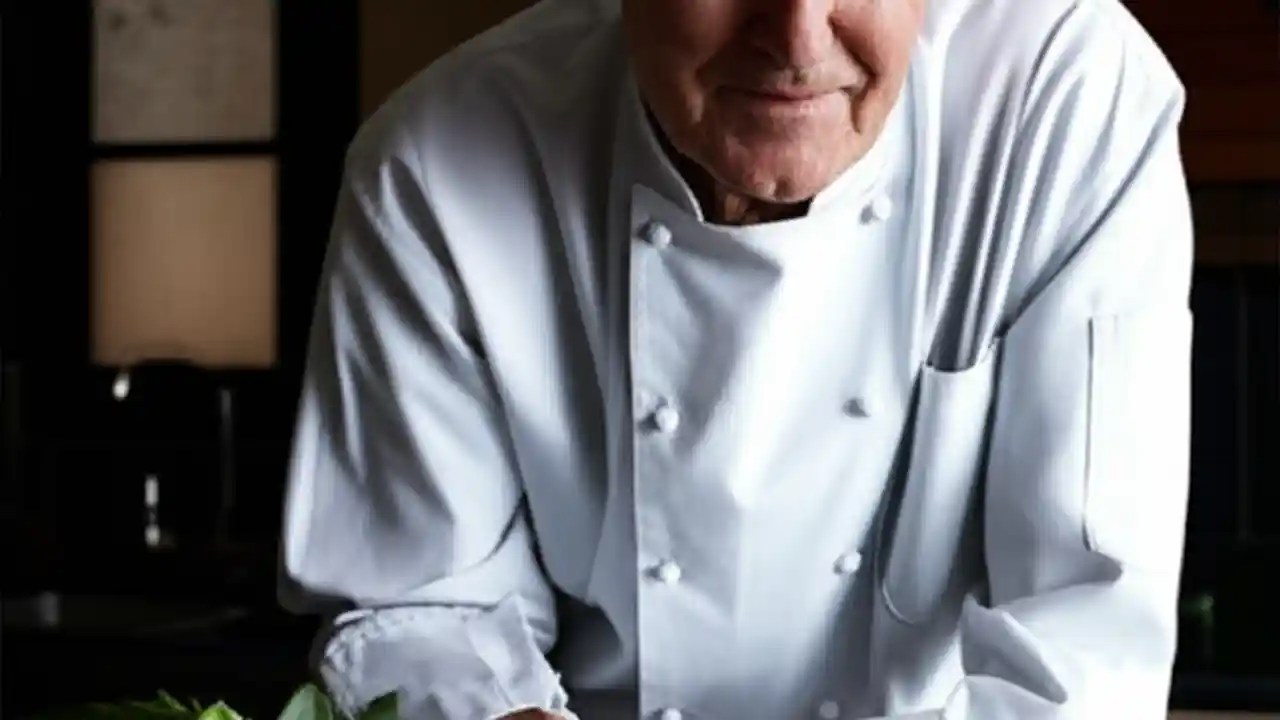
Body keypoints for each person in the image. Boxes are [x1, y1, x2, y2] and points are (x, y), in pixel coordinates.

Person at [278, 0, 1194, 716]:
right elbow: (417, 604)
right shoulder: (436, 163)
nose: (797, 38)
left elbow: (1082, 637)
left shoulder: (1064, 96)